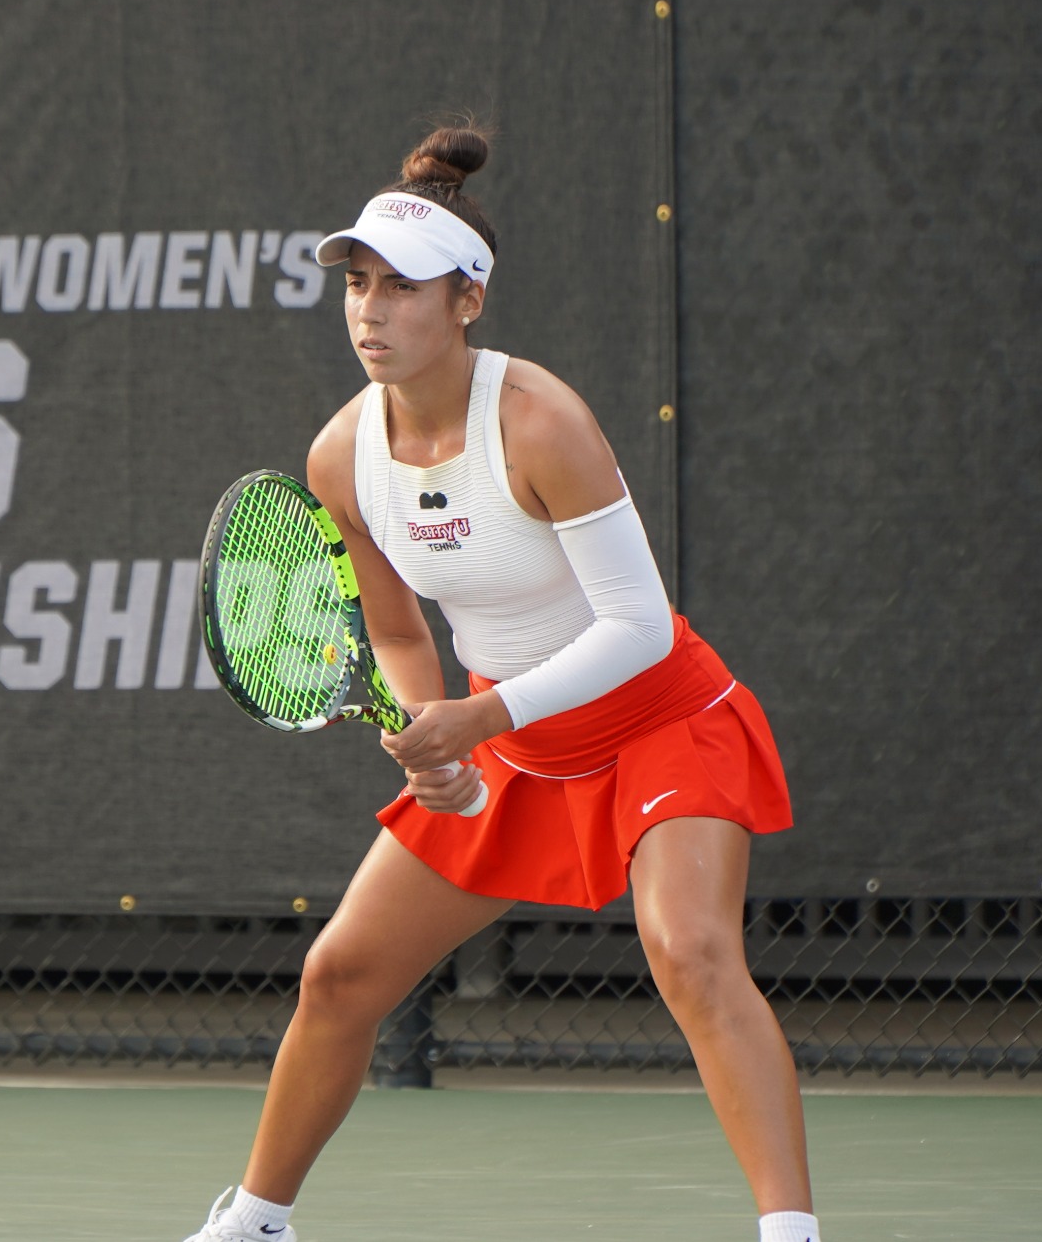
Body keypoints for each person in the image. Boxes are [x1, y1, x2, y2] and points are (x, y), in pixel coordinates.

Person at [183, 126, 818, 1242]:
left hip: (659, 723)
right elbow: (391, 624)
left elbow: (635, 629)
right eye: (357, 284)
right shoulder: (340, 456)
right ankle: (254, 1224)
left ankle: (789, 1234)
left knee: (692, 953)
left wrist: (474, 716)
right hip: (512, 749)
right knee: (337, 975)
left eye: (402, 290)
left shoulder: (538, 421)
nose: (368, 312)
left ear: (466, 303)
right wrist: (433, 735)